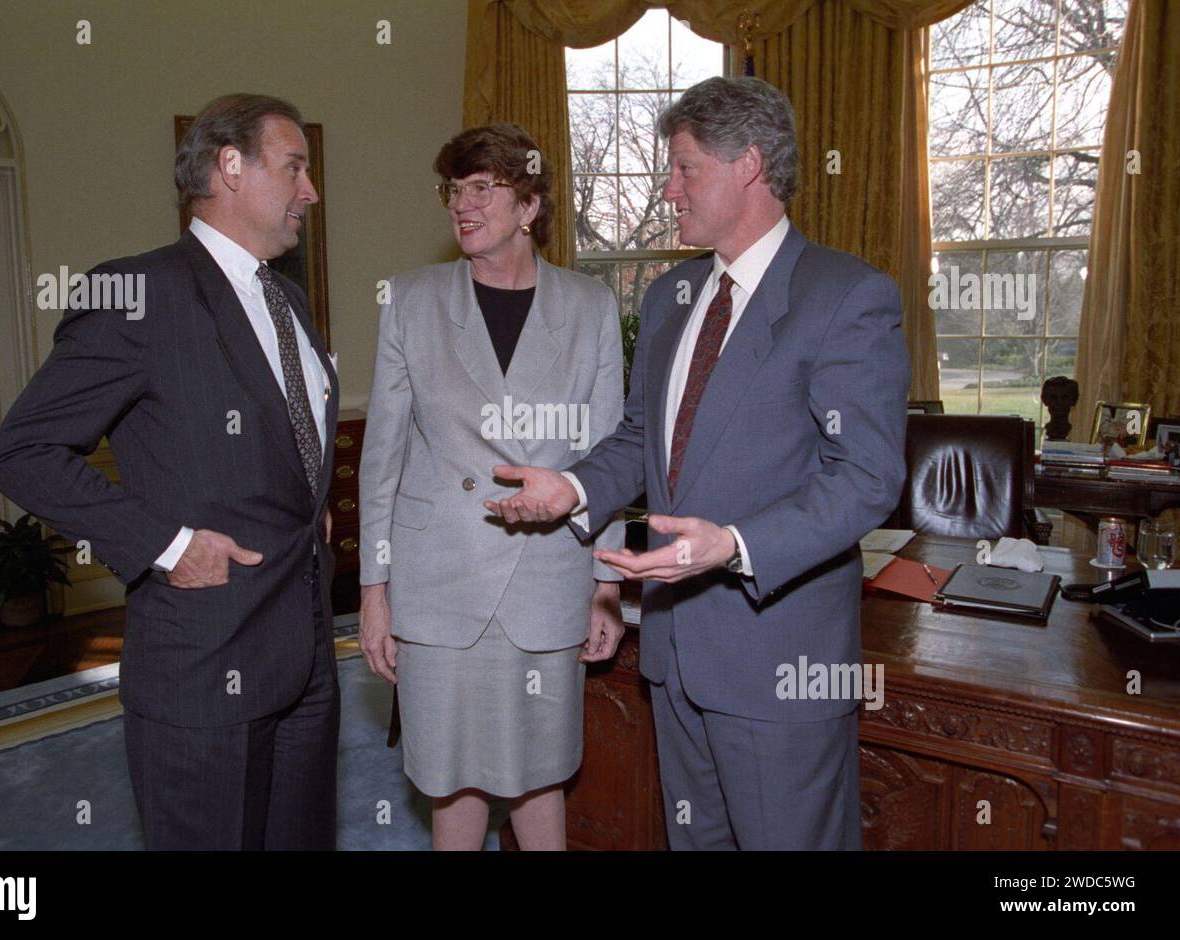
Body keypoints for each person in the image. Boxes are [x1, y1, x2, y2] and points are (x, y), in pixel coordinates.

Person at [486, 77, 911, 850]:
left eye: (682, 169)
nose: (666, 189)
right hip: (676, 659)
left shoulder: (847, 295)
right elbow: (641, 438)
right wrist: (572, 487)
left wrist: (736, 545)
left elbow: (866, 477)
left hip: (779, 664)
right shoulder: (671, 297)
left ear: (748, 164)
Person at [0, 94, 341, 850]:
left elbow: (285, 454)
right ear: (230, 168)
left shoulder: (290, 302)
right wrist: (171, 547)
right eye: (295, 166)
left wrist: (313, 512)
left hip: (307, 658)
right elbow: (23, 451)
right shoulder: (138, 294)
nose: (310, 191)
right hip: (205, 662)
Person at [358, 123, 626, 851]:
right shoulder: (410, 299)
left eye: (484, 188)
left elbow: (607, 457)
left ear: (530, 205)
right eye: (455, 189)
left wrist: (606, 584)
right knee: (453, 780)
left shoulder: (590, 307)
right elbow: (380, 457)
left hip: (547, 575)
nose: (463, 205)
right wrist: (374, 592)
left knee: (542, 774)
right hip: (437, 581)